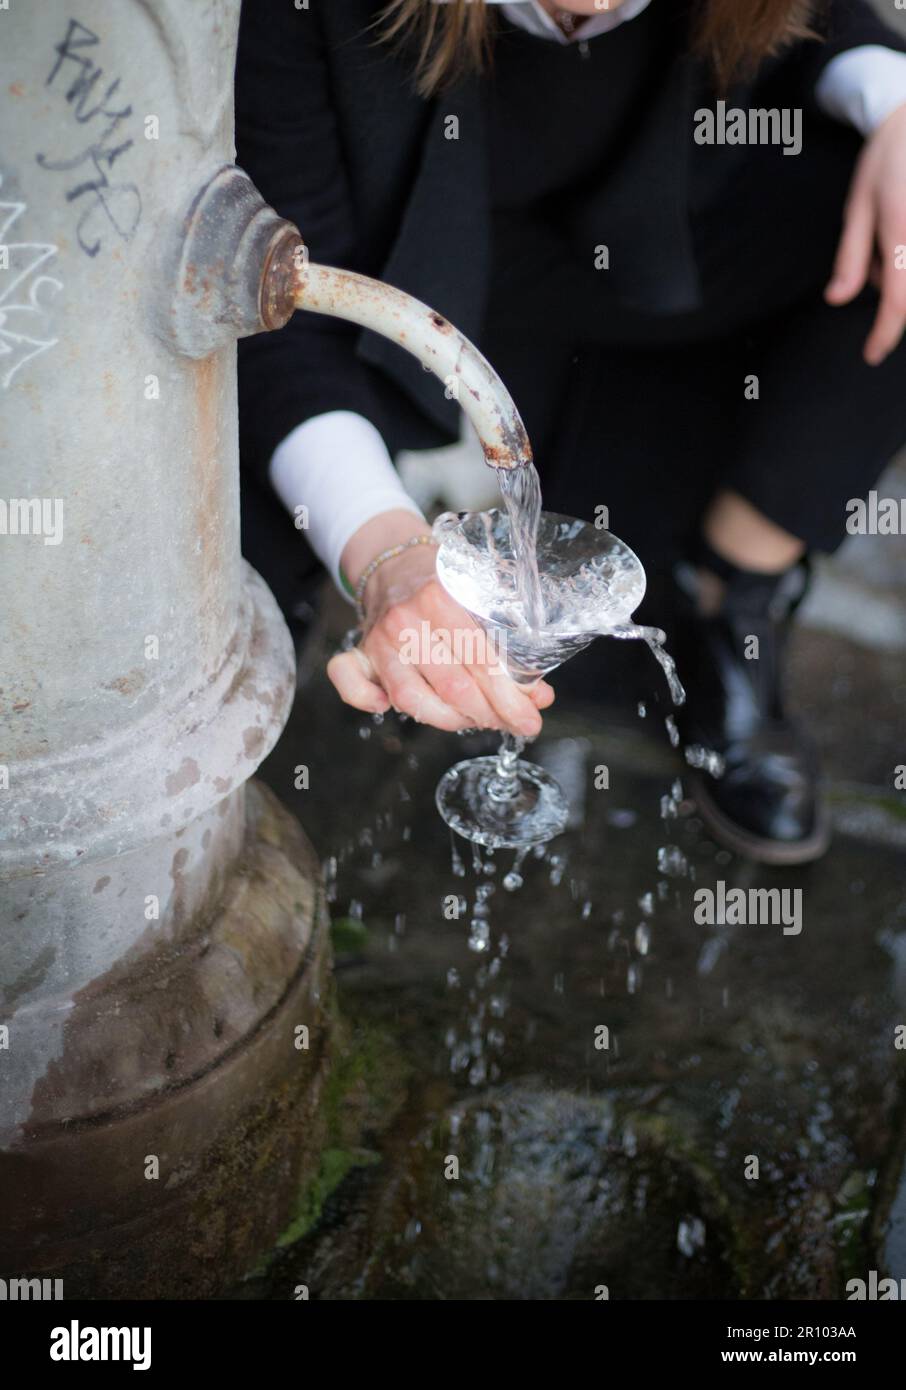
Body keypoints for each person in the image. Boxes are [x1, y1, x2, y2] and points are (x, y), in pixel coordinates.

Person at [235, 0, 906, 863]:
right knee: (229, 633)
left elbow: (828, 24)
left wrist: (895, 103)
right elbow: (280, 311)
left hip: (658, 266)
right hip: (411, 288)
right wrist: (386, 557)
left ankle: (730, 594)